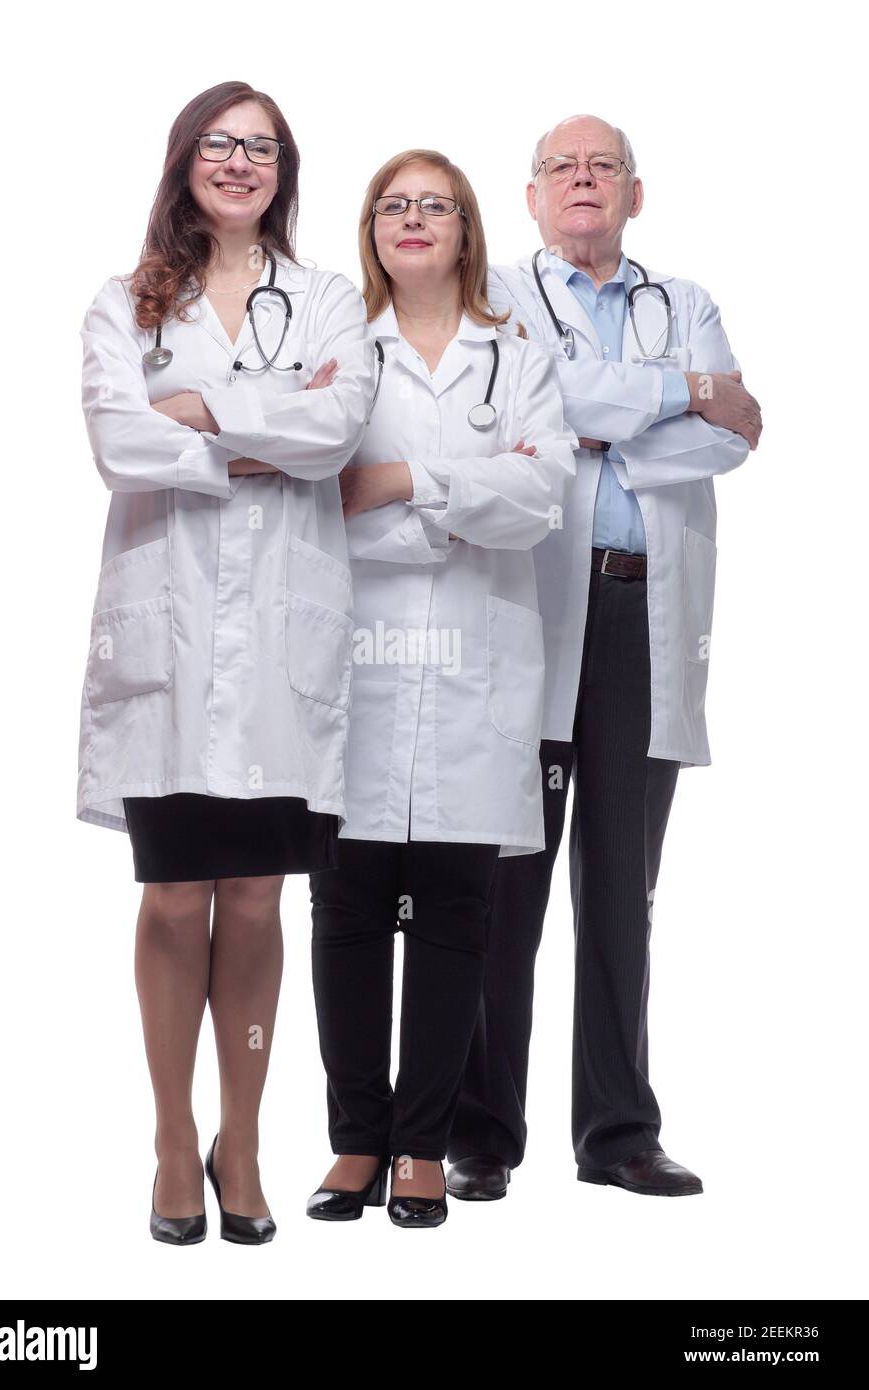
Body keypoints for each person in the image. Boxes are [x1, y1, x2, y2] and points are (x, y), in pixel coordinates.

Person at [75, 80, 374, 1244]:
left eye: (260, 147)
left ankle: (239, 1138)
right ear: (184, 161)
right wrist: (255, 428)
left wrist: (199, 415)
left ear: (283, 172)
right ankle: (167, 1134)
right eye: (219, 143)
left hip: (284, 639)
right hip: (172, 627)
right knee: (172, 895)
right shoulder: (125, 303)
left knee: (254, 897)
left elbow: (336, 429)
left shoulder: (331, 300)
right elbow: (116, 442)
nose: (239, 162)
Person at [447, 114, 762, 1200]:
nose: (581, 181)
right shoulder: (492, 298)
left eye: (602, 168)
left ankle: (618, 1131)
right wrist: (678, 391)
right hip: (527, 608)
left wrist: (600, 418)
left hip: (640, 615)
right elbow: (542, 408)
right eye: (559, 169)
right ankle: (480, 1128)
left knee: (623, 886)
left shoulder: (688, 302)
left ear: (635, 193)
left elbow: (740, 431)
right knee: (505, 874)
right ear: (530, 197)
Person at [305, 150, 577, 1229]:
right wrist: (465, 501)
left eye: (434, 205)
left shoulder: (516, 356)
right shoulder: (336, 354)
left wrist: (406, 484)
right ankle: (355, 1138)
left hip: (476, 664)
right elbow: (319, 496)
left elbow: (541, 492)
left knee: (458, 911)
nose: (411, 219)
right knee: (347, 906)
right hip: (354, 662)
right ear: (370, 230)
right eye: (390, 204)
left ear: (466, 232)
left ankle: (422, 1146)